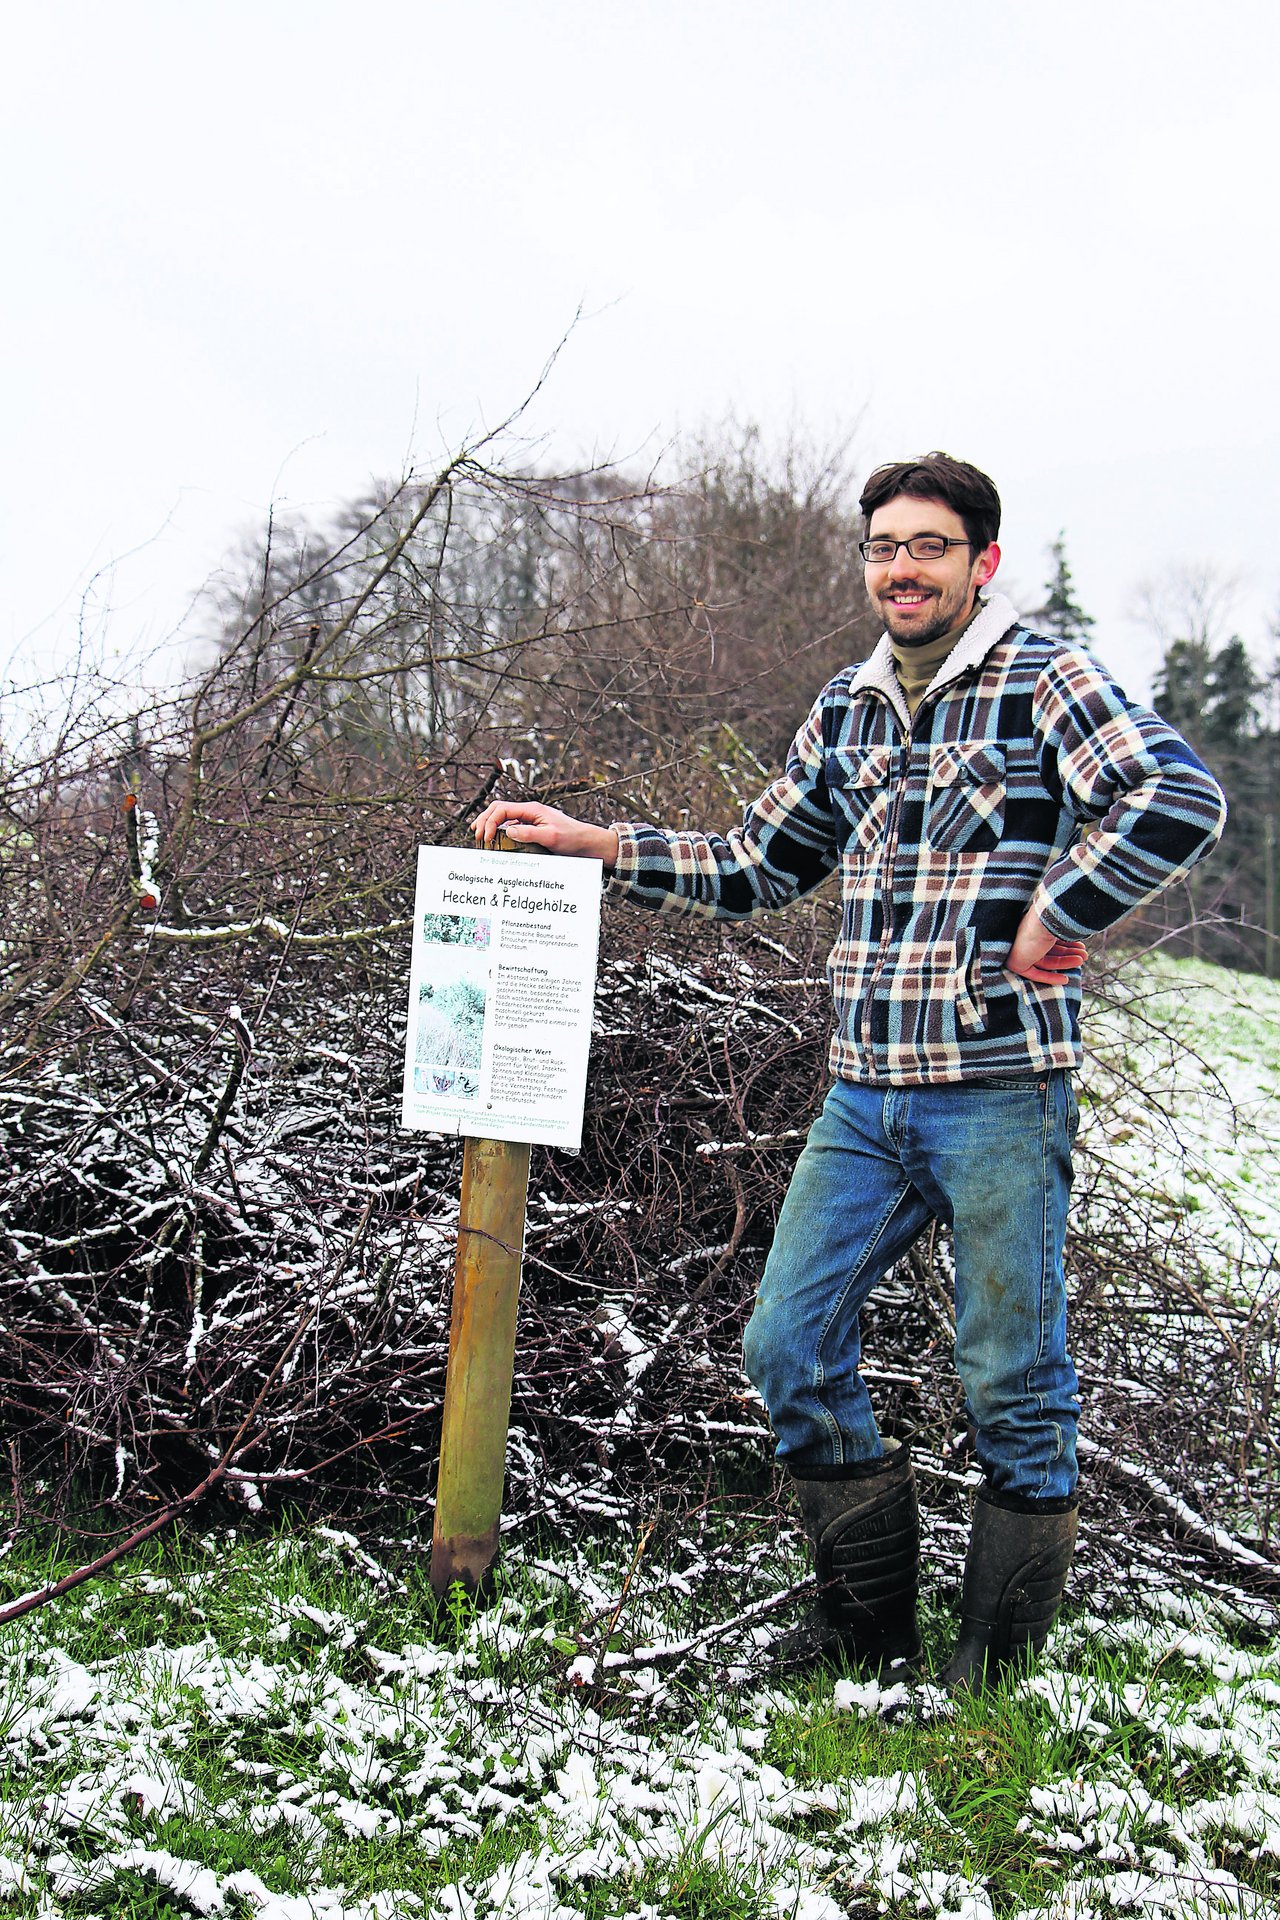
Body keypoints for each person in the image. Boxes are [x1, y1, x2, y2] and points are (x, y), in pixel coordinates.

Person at [473, 453, 1226, 1688]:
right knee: (787, 1346)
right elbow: (760, 863)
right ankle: (864, 1636)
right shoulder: (849, 704)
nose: (900, 567)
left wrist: (1057, 912)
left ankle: (990, 1670)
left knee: (1010, 1378)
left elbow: (1173, 796)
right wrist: (602, 843)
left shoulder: (1040, 677)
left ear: (979, 562)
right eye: (881, 546)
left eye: (927, 546)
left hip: (996, 1090)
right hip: (862, 1099)